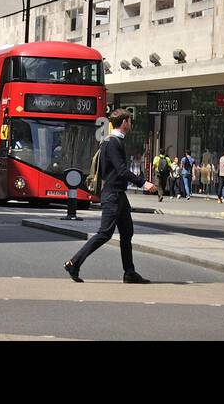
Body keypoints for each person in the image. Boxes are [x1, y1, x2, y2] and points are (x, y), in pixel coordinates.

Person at [64, 108, 155, 283]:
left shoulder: (115, 141)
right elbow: (121, 170)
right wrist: (144, 183)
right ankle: (74, 263)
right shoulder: (112, 142)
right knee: (104, 233)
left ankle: (129, 273)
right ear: (124, 122)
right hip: (112, 195)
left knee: (127, 232)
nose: (131, 123)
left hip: (118, 195)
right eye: (130, 120)